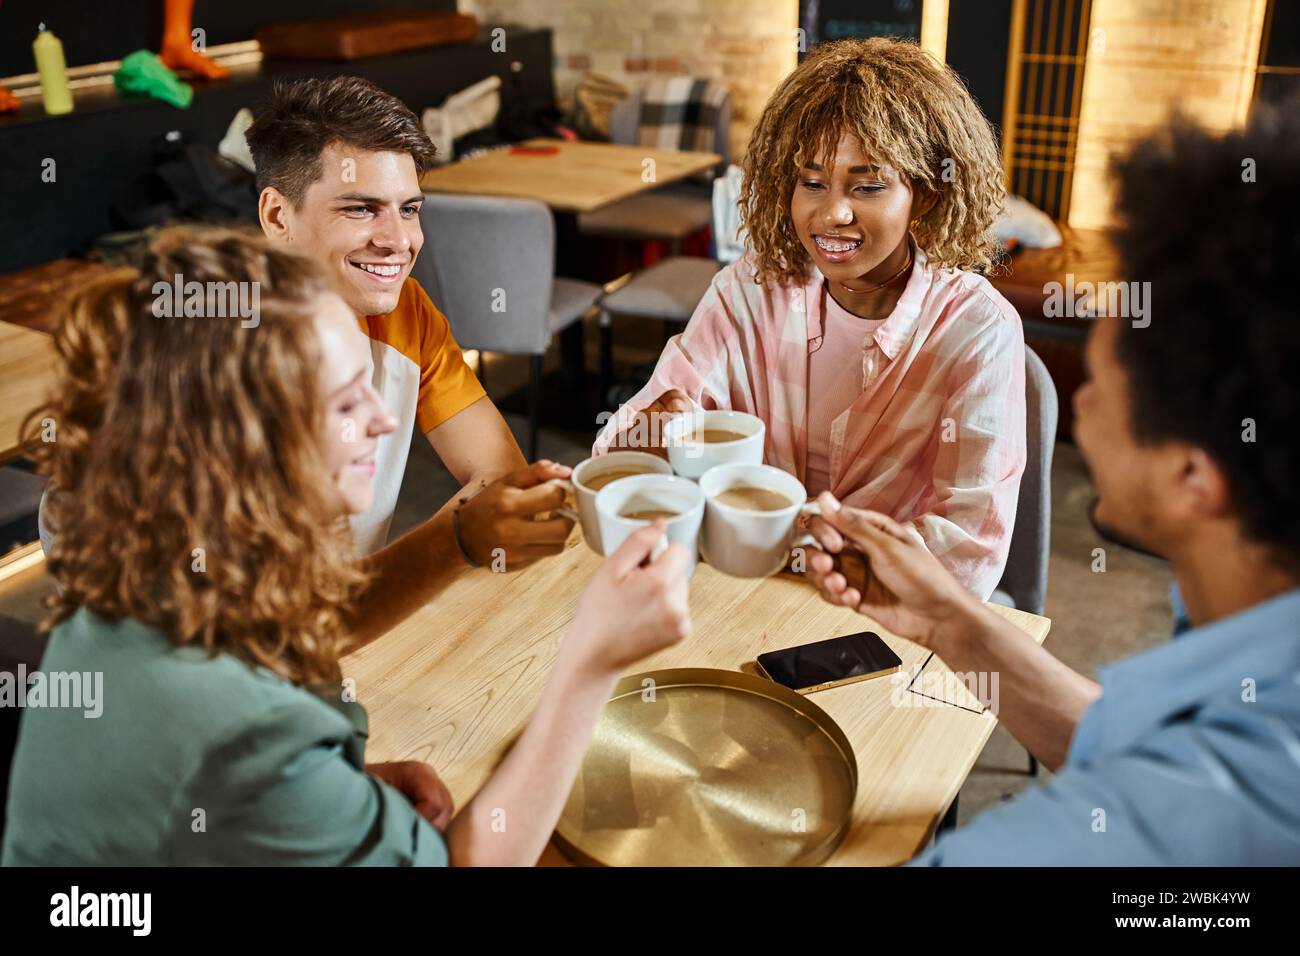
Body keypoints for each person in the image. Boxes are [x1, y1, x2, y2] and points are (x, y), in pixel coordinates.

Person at [2, 227, 692, 866]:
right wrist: (592, 662)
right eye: (343, 402)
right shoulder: (247, 737)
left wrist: (343, 792)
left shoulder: (158, 572)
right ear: (240, 451)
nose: (384, 419)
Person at [804, 103, 1300, 864]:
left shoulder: (1166, 829)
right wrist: (950, 622)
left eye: (1100, 380)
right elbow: (1124, 737)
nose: (1081, 405)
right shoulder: (1250, 637)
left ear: (1194, 474)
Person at [596, 38, 1026, 599]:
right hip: (741, 596)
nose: (832, 213)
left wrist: (790, 549)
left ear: (925, 192)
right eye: (812, 183)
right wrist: (648, 435)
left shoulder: (976, 330)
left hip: (885, 620)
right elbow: (616, 458)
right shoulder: (751, 290)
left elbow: (966, 549)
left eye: (867, 186)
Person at [245, 74, 573, 566]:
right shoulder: (218, 356)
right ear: (277, 218)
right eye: (360, 209)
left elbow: (500, 475)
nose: (399, 241)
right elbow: (269, 604)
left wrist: (456, 541)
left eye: (410, 209)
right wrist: (454, 542)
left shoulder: (408, 312)